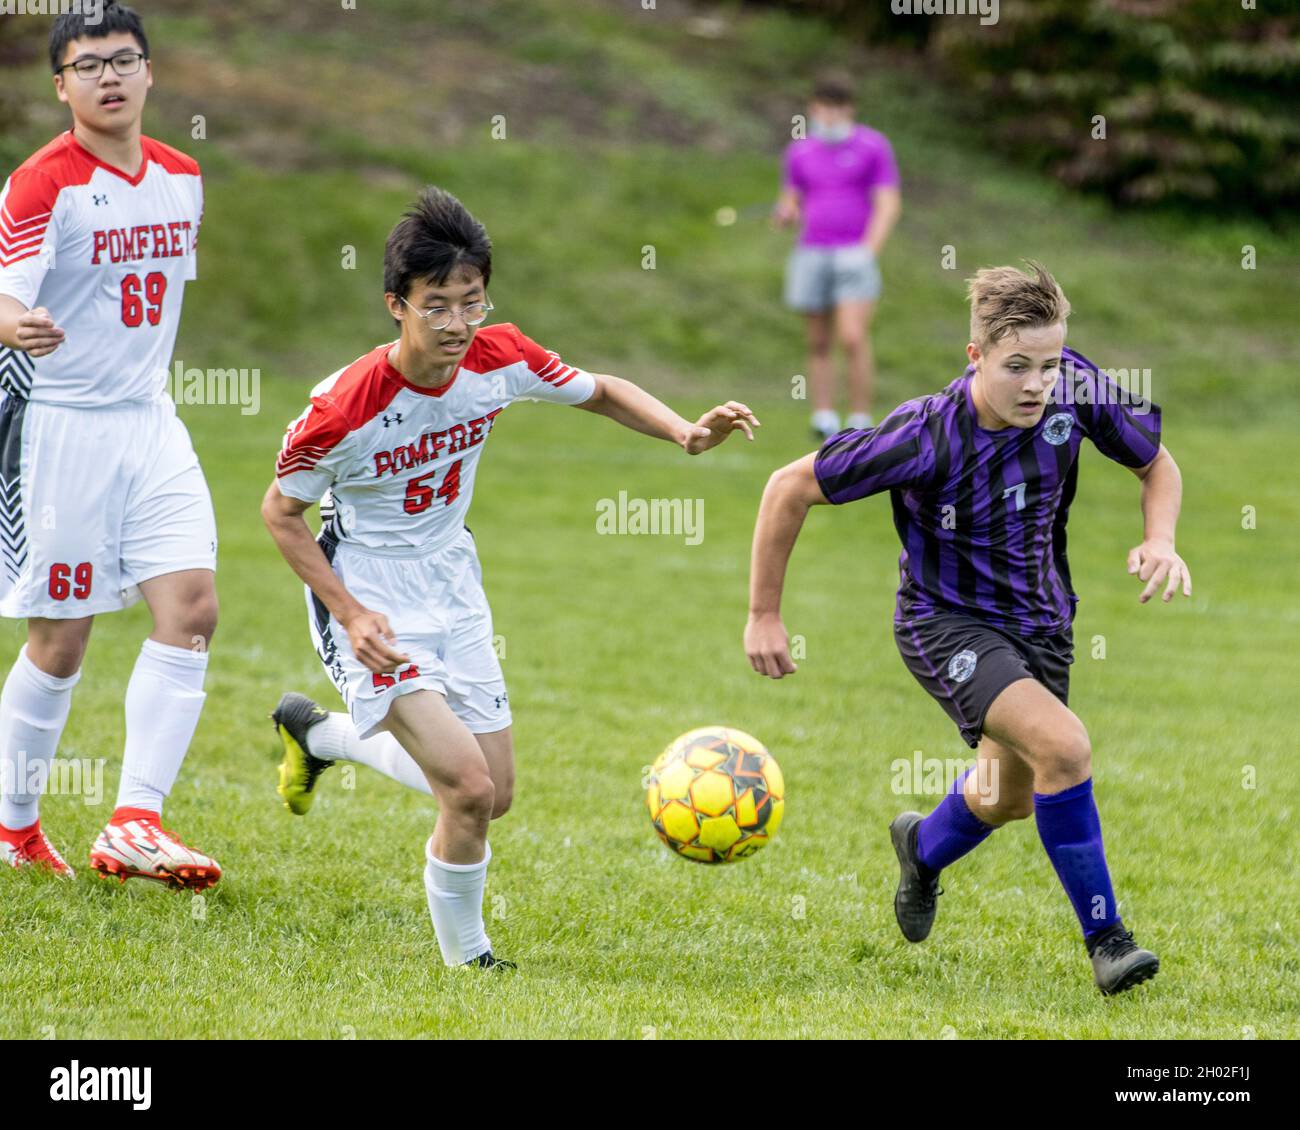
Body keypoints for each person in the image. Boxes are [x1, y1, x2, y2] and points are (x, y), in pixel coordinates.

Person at [261, 186, 759, 970]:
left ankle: (320, 735)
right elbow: (281, 514)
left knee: (496, 789)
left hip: (454, 579)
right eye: (438, 306)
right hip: (370, 590)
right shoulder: (343, 409)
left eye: (472, 301)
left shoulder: (501, 356)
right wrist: (350, 613)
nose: (459, 324)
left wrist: (684, 432)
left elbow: (603, 391)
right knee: (465, 789)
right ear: (396, 305)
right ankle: (470, 964)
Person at [744, 262, 1189, 995]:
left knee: (1012, 794)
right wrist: (765, 614)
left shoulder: (1072, 386)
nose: (1038, 383)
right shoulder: (924, 435)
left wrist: (1161, 538)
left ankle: (921, 846)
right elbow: (789, 485)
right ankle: (1109, 940)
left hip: (1043, 622)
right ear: (975, 356)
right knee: (1066, 747)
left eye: (1048, 364)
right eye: (1018, 366)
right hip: (944, 624)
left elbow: (1157, 465)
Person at [0, 2, 220, 889]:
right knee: (62, 640)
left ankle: (136, 819)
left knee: (194, 610)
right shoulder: (38, 184)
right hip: (58, 430)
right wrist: (15, 323)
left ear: (150, 72)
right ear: (62, 86)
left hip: (149, 421)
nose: (111, 76)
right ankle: (13, 827)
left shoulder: (183, 174)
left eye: (125, 60)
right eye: (89, 66)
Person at [774, 72, 901, 442]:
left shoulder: (873, 146)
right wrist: (786, 213)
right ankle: (823, 416)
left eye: (837, 108)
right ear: (813, 108)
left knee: (852, 336)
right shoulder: (799, 151)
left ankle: (860, 418)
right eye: (823, 108)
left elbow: (888, 203)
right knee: (817, 339)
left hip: (854, 254)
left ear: (849, 109)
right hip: (812, 252)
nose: (829, 116)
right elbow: (792, 198)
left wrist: (868, 251)